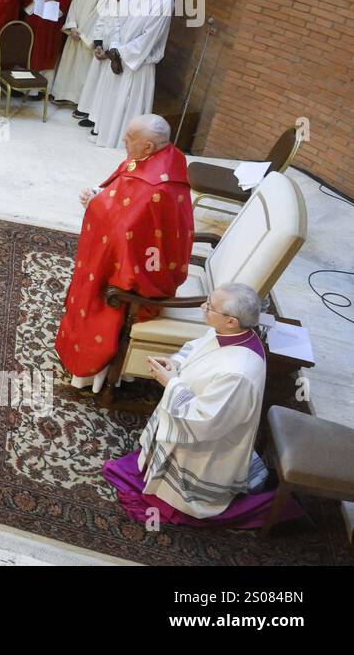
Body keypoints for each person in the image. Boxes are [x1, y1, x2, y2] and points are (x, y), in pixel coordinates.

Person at [104, 283, 300, 528]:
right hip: (192, 417)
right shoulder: (227, 332)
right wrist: (174, 364)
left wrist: (171, 383)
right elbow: (194, 350)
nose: (202, 307)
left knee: (175, 497)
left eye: (209, 306)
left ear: (231, 320)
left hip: (204, 448)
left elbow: (204, 421)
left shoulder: (238, 373)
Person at [55, 114, 194, 390]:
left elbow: (128, 236)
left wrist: (96, 204)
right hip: (143, 256)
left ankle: (95, 370)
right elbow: (124, 191)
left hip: (140, 276)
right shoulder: (165, 158)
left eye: (130, 138)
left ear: (149, 148)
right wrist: (100, 193)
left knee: (100, 294)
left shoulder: (158, 187)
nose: (123, 141)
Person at [90, 0, 174, 150]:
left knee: (128, 106)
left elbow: (149, 37)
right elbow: (119, 19)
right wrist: (115, 49)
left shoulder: (164, 1)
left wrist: (120, 53)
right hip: (118, 56)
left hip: (138, 63)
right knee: (112, 100)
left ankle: (124, 146)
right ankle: (104, 136)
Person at [53, 0, 117, 108]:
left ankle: (78, 100)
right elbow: (74, 4)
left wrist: (82, 33)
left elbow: (99, 13)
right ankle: (61, 94)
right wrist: (72, 25)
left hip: (86, 36)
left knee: (82, 68)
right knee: (68, 64)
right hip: (74, 31)